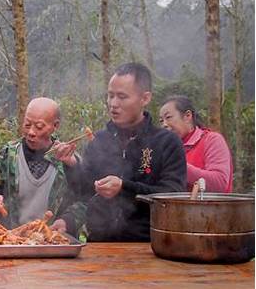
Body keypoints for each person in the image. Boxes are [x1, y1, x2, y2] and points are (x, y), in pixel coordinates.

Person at [62, 63, 187, 242]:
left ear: (145, 98)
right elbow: (85, 193)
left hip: (149, 247)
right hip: (100, 246)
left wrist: (124, 188)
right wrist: (72, 165)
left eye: (122, 97)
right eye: (110, 95)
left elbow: (173, 196)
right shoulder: (98, 140)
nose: (113, 104)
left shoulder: (166, 142)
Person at [0, 97, 86, 235]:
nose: (31, 132)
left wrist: (68, 221)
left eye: (39, 127)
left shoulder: (69, 160)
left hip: (53, 242)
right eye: (27, 125)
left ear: (55, 125)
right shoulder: (7, 155)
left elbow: (85, 200)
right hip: (13, 241)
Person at [159, 95, 233, 193]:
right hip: (172, 208)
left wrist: (178, 166)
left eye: (168, 117)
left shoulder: (212, 140)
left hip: (208, 207)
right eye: (161, 121)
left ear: (187, 116)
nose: (164, 124)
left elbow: (219, 183)